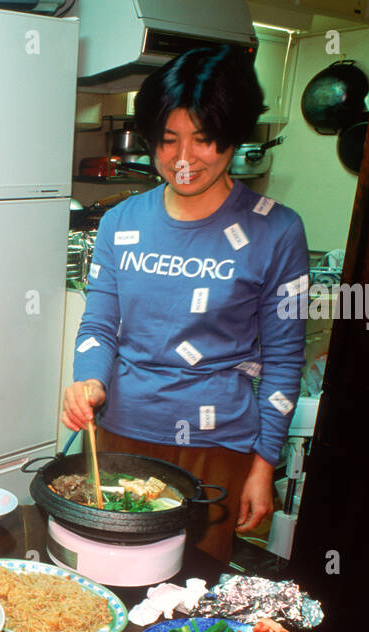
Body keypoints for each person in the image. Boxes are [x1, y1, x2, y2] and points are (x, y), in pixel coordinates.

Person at [61, 46, 310, 562]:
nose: (183, 158)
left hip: (217, 447)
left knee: (190, 590)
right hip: (122, 435)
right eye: (168, 140)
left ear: (234, 135)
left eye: (203, 139)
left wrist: (263, 467)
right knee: (107, 568)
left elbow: (284, 360)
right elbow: (100, 324)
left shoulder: (277, 228)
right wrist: (89, 379)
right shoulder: (121, 221)